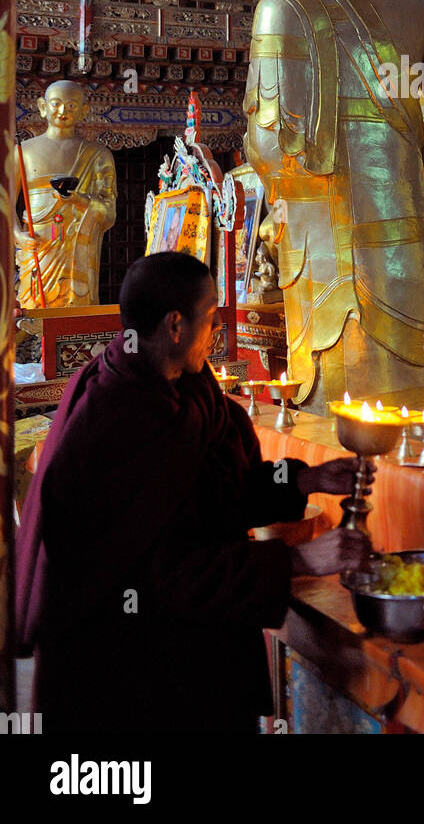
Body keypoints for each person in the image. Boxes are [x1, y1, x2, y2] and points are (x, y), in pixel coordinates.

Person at [16, 252, 368, 734]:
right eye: (212, 316)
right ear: (176, 325)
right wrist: (299, 560)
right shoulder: (116, 418)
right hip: (133, 673)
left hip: (191, 653)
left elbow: (219, 493)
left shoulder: (184, 387)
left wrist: (306, 480)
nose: (218, 329)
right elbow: (167, 573)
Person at [244, 0, 424, 414]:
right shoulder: (421, 11)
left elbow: (270, 141)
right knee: (411, 381)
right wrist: (392, 167)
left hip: (321, 229)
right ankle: (419, 457)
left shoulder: (284, 4)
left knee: (335, 384)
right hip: (403, 222)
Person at [14, 80, 116, 308]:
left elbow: (109, 211)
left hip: (78, 245)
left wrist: (79, 200)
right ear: (42, 107)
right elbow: (5, 204)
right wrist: (18, 235)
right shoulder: (22, 151)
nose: (63, 111)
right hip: (38, 244)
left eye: (71, 106)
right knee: (34, 306)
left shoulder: (98, 154)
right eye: (56, 103)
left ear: (84, 110)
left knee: (77, 305)